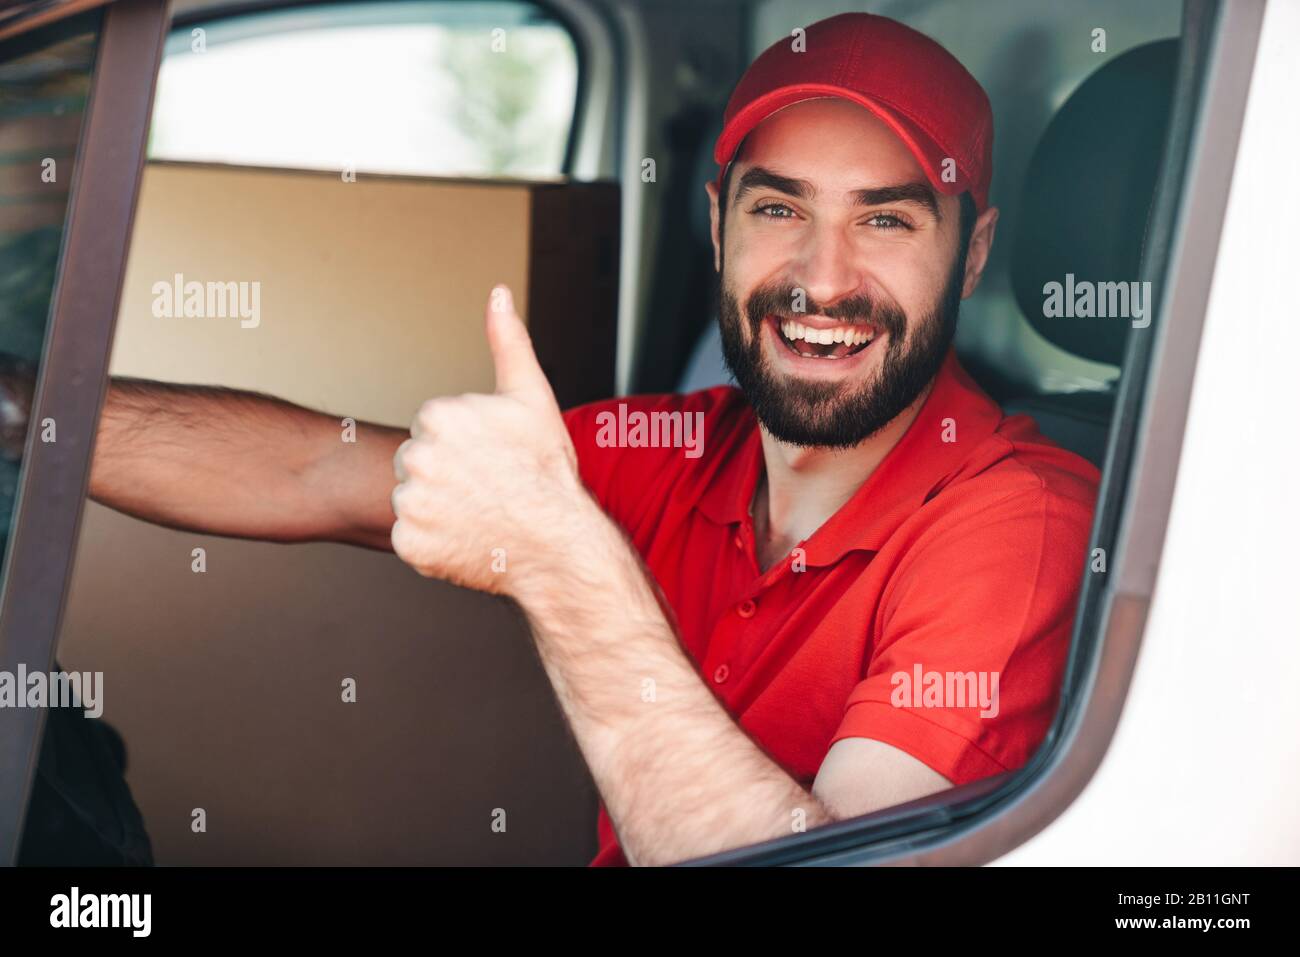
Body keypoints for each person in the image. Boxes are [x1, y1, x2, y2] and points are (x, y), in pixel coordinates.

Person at [74, 13, 1098, 865]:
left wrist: (560, 556)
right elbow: (308, 468)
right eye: (779, 207)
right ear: (717, 225)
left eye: (885, 221)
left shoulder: (1019, 525)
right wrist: (33, 413)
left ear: (972, 256)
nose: (821, 278)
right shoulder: (673, 447)